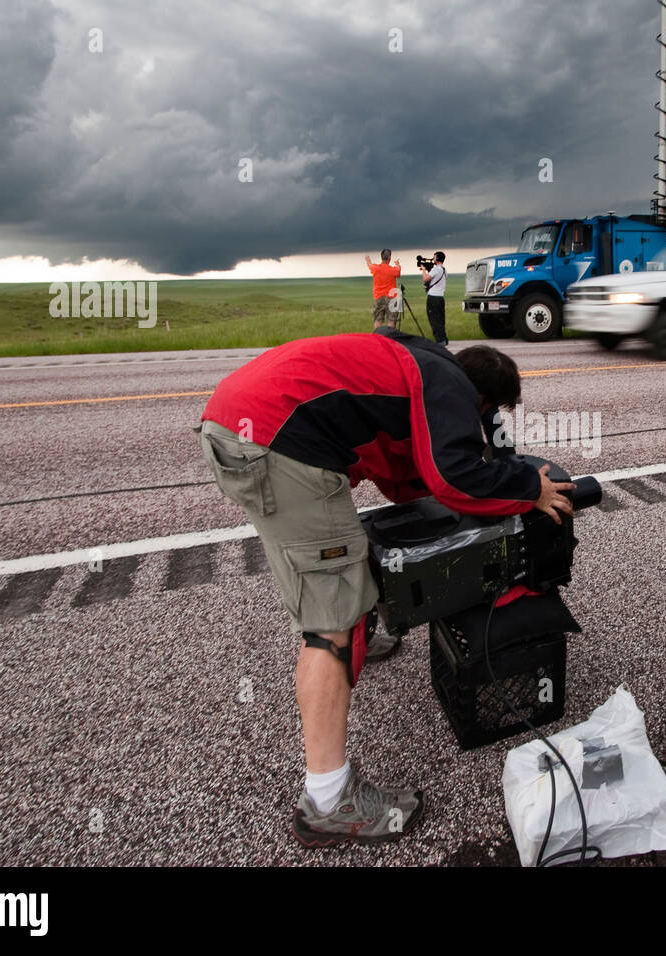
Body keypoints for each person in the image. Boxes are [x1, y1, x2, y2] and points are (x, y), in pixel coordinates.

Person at [195, 326, 575, 847]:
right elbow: (451, 479)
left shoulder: (421, 363)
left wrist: (486, 470)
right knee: (331, 623)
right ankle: (328, 802)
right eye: (491, 415)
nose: (487, 425)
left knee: (340, 552)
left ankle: (357, 635)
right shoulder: (451, 387)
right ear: (483, 397)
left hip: (246, 420)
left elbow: (401, 473)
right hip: (275, 440)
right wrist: (529, 488)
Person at [366, 249, 402, 326]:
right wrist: (397, 264)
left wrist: (368, 260)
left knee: (378, 319)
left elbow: (369, 265)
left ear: (381, 257)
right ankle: (389, 337)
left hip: (378, 297)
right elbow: (398, 272)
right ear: (390, 258)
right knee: (391, 320)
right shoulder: (393, 270)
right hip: (392, 297)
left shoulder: (376, 268)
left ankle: (377, 337)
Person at [420, 251, 448, 346]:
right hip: (440, 298)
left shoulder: (436, 269)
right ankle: (444, 338)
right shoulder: (444, 270)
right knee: (440, 319)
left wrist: (423, 270)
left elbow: (425, 279)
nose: (433, 259)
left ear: (438, 258)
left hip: (433, 298)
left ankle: (440, 341)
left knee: (434, 319)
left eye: (434, 257)